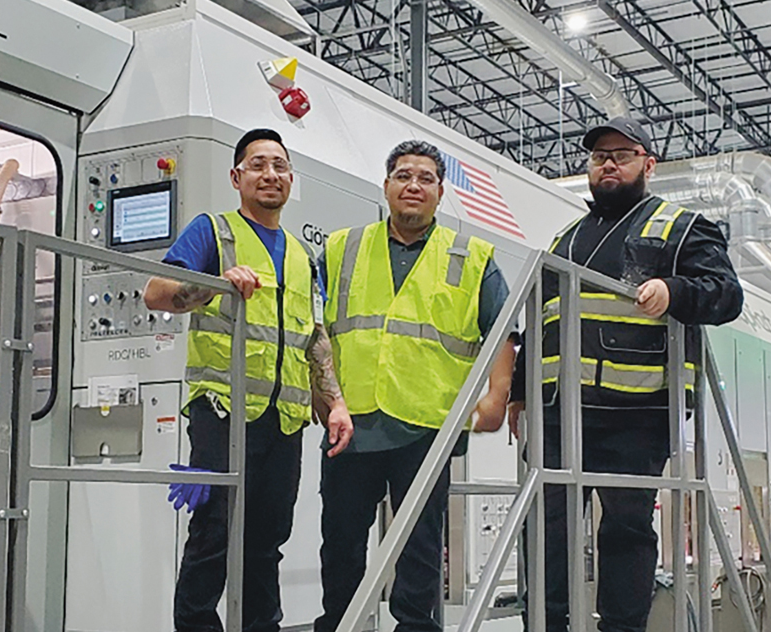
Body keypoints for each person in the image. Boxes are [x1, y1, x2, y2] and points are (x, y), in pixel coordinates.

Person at [508, 117, 743, 632]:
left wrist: (675, 291)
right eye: (599, 157)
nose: (608, 163)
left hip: (635, 413)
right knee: (545, 532)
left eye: (622, 154)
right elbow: (540, 318)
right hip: (556, 416)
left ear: (648, 164)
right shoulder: (565, 240)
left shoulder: (680, 227)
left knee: (627, 530)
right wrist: (519, 392)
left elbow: (726, 295)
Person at [143, 128, 354, 632]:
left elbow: (315, 338)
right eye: (258, 165)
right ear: (237, 177)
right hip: (221, 411)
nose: (270, 175)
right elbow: (156, 292)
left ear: (291, 180)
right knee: (213, 531)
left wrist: (337, 403)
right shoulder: (212, 232)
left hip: (283, 422)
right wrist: (214, 283)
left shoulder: (304, 258)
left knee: (267, 541)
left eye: (279, 166)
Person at [315, 140, 518, 632]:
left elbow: (503, 331)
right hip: (352, 422)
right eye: (403, 175)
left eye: (425, 178)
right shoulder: (341, 248)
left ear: (440, 192)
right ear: (386, 186)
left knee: (421, 545)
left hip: (429, 424)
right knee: (340, 539)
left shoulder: (472, 256)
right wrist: (324, 396)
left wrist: (497, 396)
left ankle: (415, 628)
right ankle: (341, 624)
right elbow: (312, 325)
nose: (413, 185)